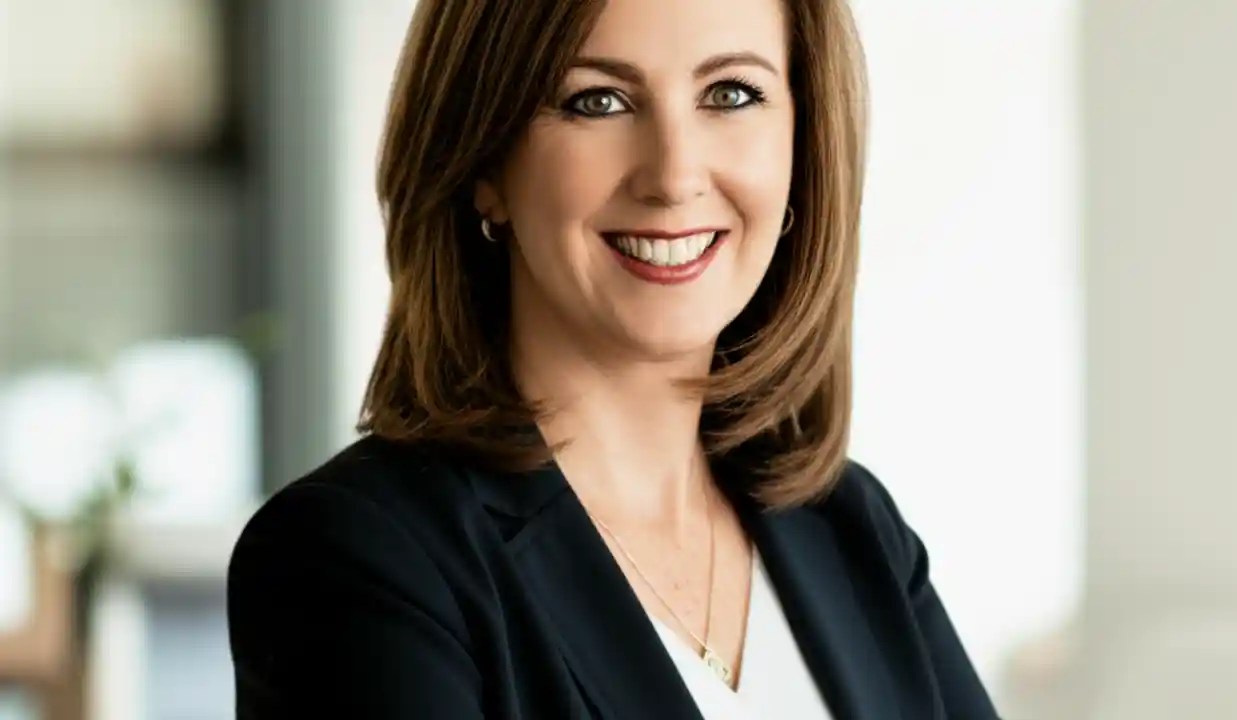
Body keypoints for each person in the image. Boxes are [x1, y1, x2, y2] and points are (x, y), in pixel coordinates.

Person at [227, 0, 1000, 717]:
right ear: (485, 162)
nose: (673, 176)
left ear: (803, 141)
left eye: (731, 94)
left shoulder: (848, 526)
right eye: (597, 100)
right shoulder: (356, 561)